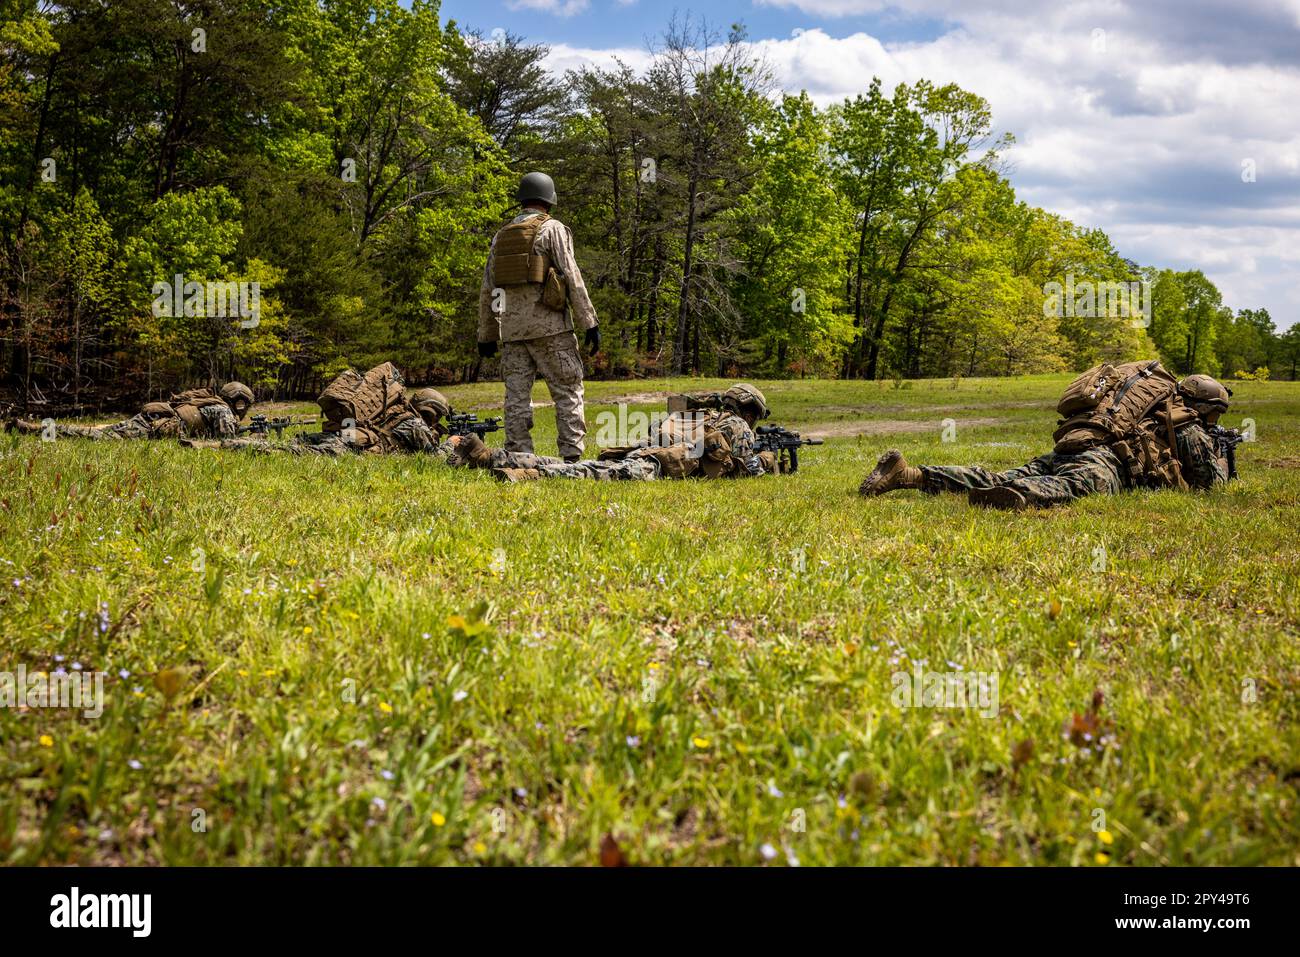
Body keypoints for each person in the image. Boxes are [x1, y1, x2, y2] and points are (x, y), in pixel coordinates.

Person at [859, 368, 1232, 509]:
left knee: (1001, 474)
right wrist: (1222, 459)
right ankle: (1024, 496)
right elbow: (1209, 483)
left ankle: (909, 475)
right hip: (1105, 461)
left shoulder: (1140, 402)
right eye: (1216, 414)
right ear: (1205, 405)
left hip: (1072, 443)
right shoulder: (1185, 421)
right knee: (1072, 487)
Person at [478, 171, 599, 463]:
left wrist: (487, 334)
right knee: (568, 390)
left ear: (523, 199)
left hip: (513, 332)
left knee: (517, 398)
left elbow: (488, 287)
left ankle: (519, 457)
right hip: (551, 329)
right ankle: (571, 458)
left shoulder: (501, 236)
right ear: (550, 200)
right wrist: (589, 322)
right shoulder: (553, 229)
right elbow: (572, 276)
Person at [468, 383, 777, 482]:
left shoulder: (702, 414)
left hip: (644, 450)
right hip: (660, 464)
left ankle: (495, 455)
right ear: (748, 413)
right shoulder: (737, 427)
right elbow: (742, 469)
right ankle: (529, 476)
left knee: (583, 465)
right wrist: (766, 461)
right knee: (592, 474)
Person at [9, 382, 253, 440]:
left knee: (97, 430)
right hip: (152, 427)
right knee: (96, 436)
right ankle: (31, 429)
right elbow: (227, 443)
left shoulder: (210, 401)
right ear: (240, 403)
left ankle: (37, 428)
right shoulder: (223, 411)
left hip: (154, 420)